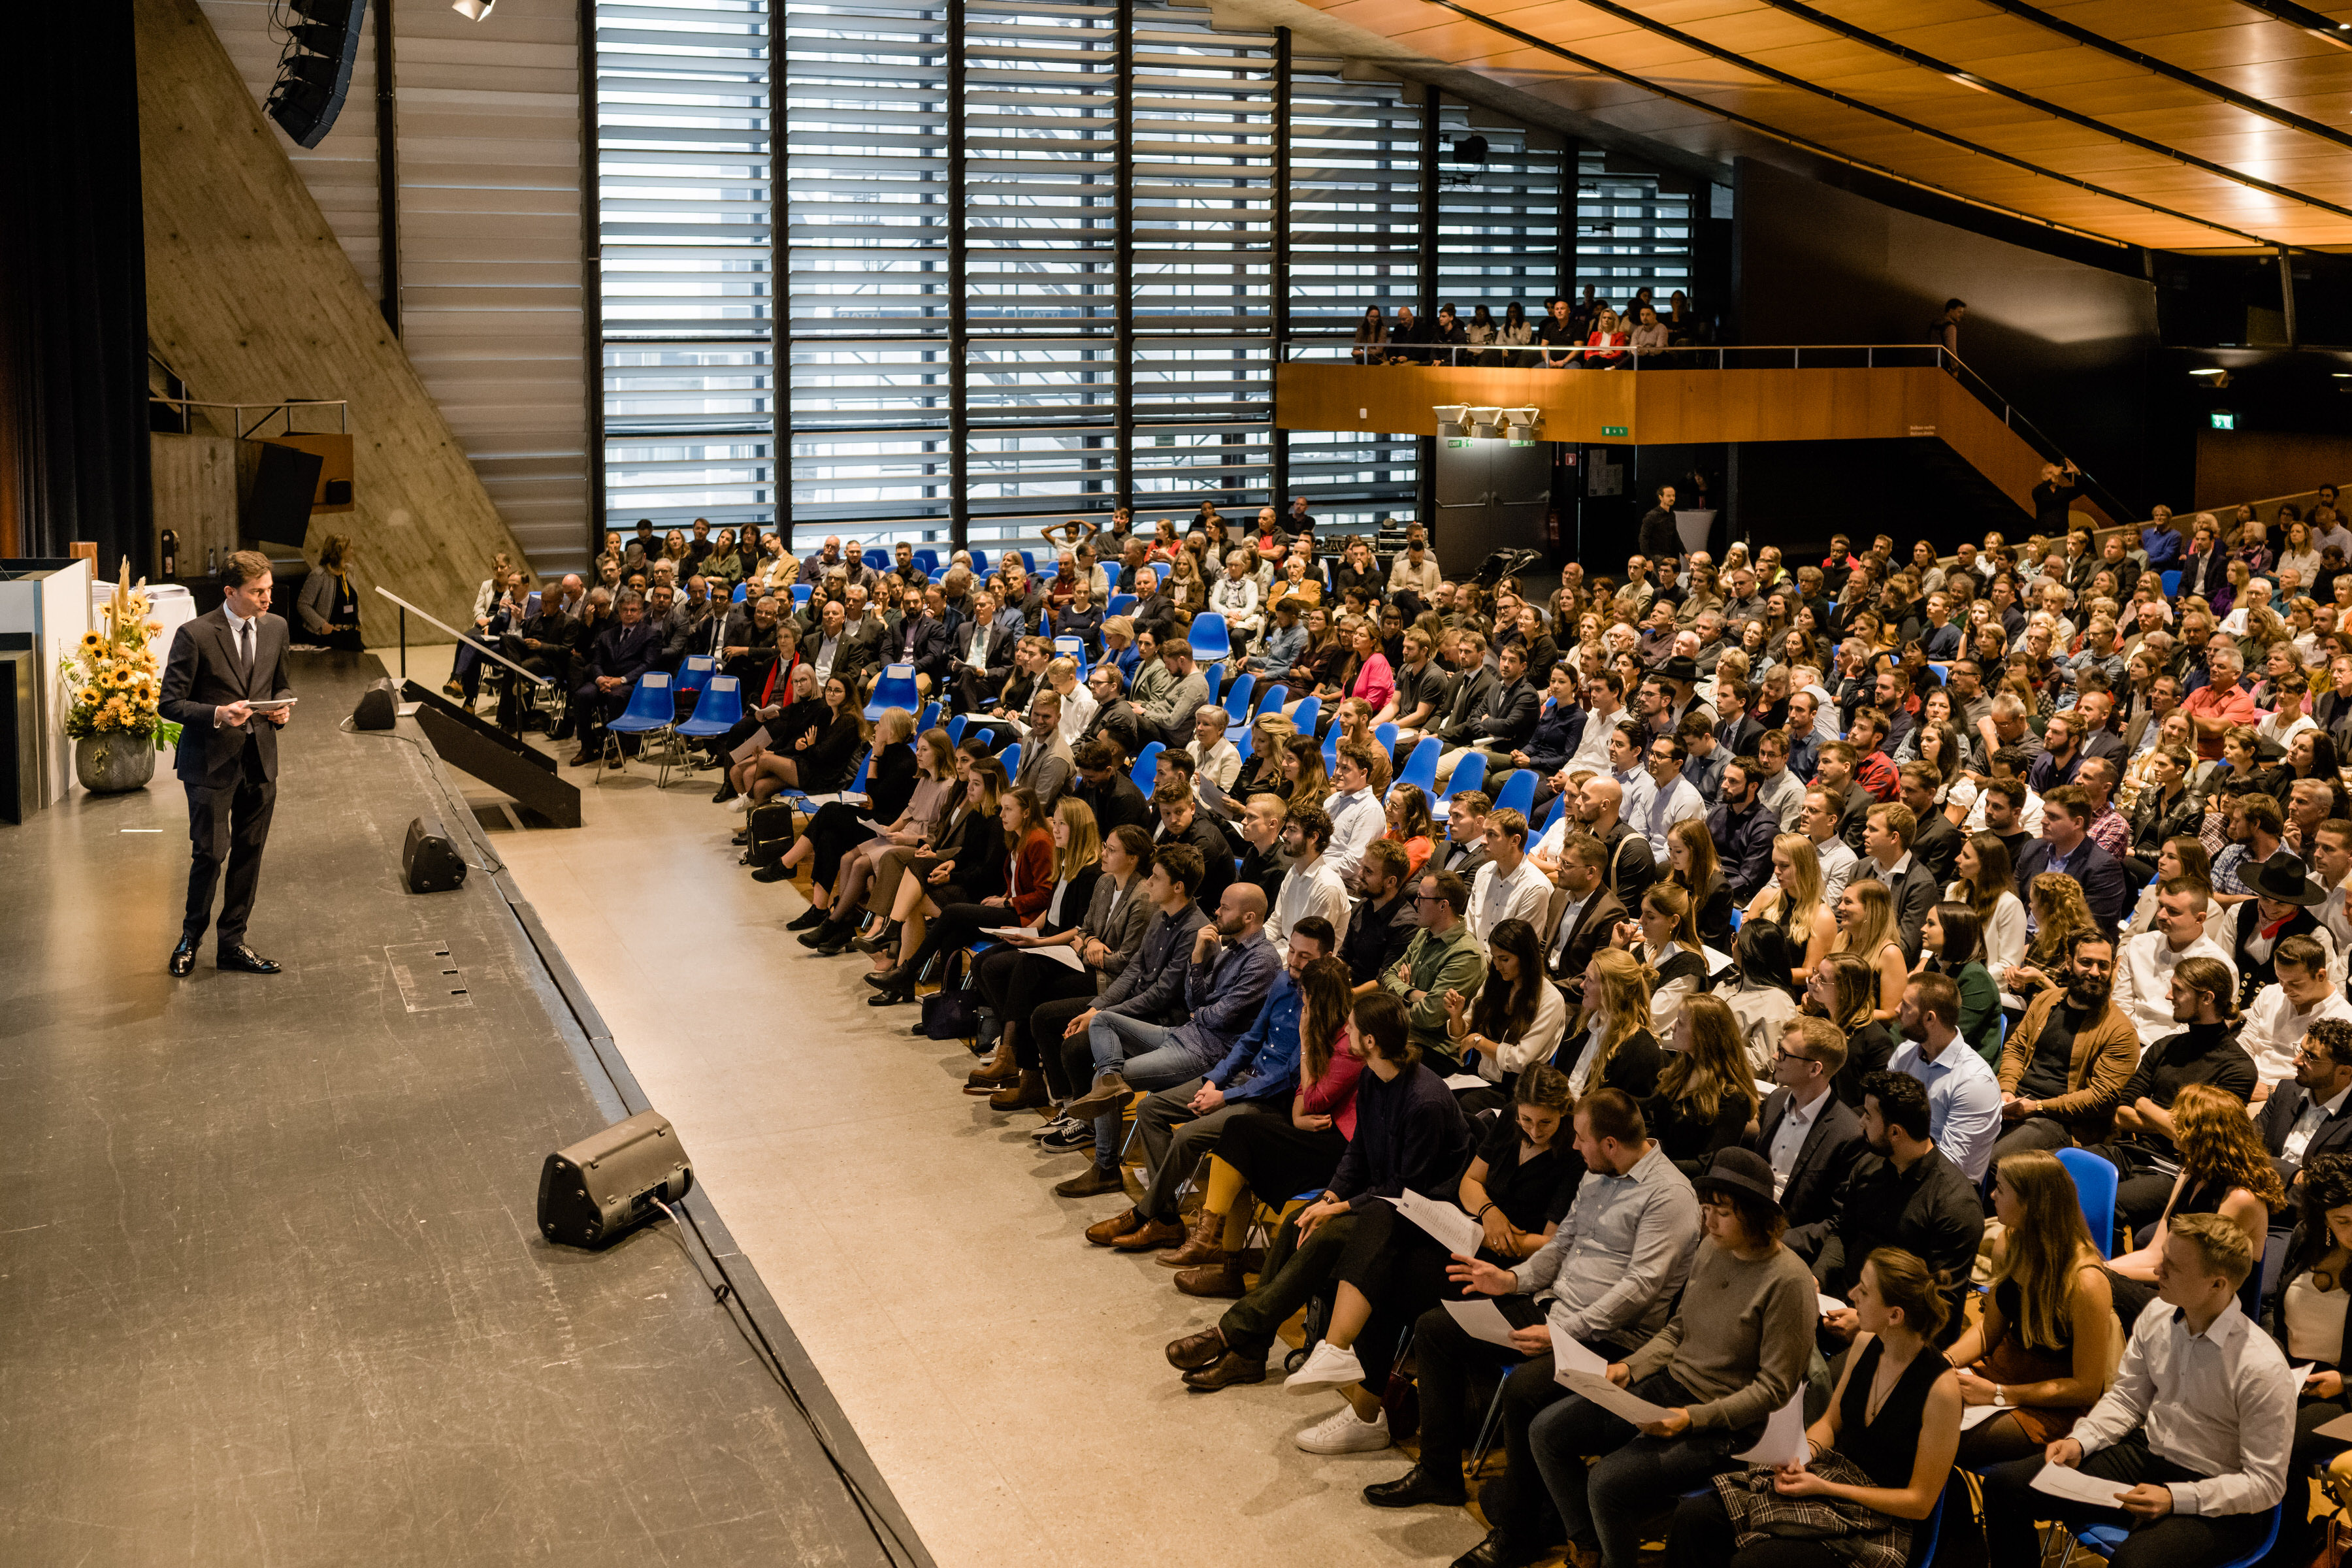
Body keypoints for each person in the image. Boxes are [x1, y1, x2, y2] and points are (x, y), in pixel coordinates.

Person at [1364, 1088, 1701, 1525]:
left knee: (1524, 1388)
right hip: (1553, 1308)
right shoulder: (1598, 1171)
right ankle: (1438, 1474)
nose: (1574, 1146)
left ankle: (1520, 1527)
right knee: (1436, 1328)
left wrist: (1565, 1333)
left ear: (1611, 1144)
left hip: (1609, 1339)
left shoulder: (1670, 1197)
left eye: (1581, 1138)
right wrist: (1511, 1280)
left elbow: (1641, 1288)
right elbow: (1561, 1246)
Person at [1522, 1147, 1817, 1568]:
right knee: (1547, 1432)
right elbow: (1678, 1330)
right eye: (1706, 1208)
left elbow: (1774, 1389)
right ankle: (1589, 1546)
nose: (1708, 1221)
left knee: (1606, 1483)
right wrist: (1630, 1366)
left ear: (1754, 1215)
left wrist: (1692, 1419)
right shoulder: (1713, 1247)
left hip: (1726, 1425)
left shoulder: (1789, 1281)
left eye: (1723, 1212)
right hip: (1671, 1387)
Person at [1162, 991, 1471, 1390]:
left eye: (1354, 1029)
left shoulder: (1424, 1101)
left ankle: (1231, 1334)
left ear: (1371, 1041)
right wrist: (1329, 1197)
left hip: (1423, 1217)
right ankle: (1249, 1355)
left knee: (1325, 1235)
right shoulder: (1373, 1077)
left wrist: (1340, 1207)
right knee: (1296, 1221)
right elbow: (1358, 1151)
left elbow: (1406, 1190)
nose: (1347, 1033)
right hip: (1383, 1201)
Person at [1281, 1064, 1582, 1456]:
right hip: (1475, 1235)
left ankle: (1364, 1411)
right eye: (1527, 1118)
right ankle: (1338, 1356)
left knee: (1385, 1277)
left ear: (1564, 1113)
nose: (1535, 1130)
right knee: (1382, 1214)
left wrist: (1507, 1237)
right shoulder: (1511, 1120)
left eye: (1546, 1123)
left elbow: (1553, 1244)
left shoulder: (1573, 1153)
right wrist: (1490, 1213)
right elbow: (1471, 1183)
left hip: (1508, 1268)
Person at [1978, 1211, 2295, 1568]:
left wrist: (2177, 1498)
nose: (2158, 1270)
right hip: (2147, 1457)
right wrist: (2081, 1441)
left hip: (2219, 1495)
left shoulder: (2261, 1366)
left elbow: (2264, 1484)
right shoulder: (2159, 1314)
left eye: (2173, 1266)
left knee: (2134, 1562)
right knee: (2007, 1487)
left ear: (2218, 1285)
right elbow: (2128, 1400)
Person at [1664, 1248, 1961, 1568]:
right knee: (1693, 1517)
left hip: (1882, 1520)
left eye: (1863, 1290)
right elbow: (1832, 1423)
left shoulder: (1942, 1391)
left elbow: (1919, 1504)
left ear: (1895, 1315)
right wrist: (1801, 1457)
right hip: (1833, 1481)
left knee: (1754, 1562)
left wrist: (1825, 1486)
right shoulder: (1864, 1344)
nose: (1852, 1295)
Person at [1083, 916, 1334, 1254]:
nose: (1293, 961)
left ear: (1327, 958)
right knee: (1149, 1108)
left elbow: (1289, 1077)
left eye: (1305, 956)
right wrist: (1215, 1079)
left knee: (1187, 1136)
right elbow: (1250, 1040)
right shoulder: (1282, 980)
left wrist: (1224, 1095)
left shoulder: (1328, 1004)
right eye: (1291, 951)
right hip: (1240, 1079)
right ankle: (1167, 1221)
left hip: (1273, 1101)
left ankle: (1144, 1213)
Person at [1057, 875, 1281, 1195]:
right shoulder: (1228, 949)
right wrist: (1196, 960)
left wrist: (1200, 1010)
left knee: (1102, 1082)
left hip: (1207, 1053)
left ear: (1249, 917)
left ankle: (1106, 1168)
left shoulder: (1263, 961)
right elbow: (1196, 1001)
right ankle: (1110, 1080)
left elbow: (1220, 1016)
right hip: (1185, 1033)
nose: (1216, 912)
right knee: (1104, 1020)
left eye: (1225, 908)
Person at [160, 550, 296, 977]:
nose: (266, 599)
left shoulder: (276, 628)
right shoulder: (195, 634)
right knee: (211, 853)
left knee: (249, 854)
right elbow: (170, 703)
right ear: (230, 592)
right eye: (257, 592)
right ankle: (190, 939)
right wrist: (217, 714)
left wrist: (282, 710)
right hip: (210, 765)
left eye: (269, 590)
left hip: (260, 761)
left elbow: (281, 683)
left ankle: (232, 943)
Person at [1946, 1150, 2117, 1465]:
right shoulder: (2008, 1243)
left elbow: (2086, 1388)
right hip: (2002, 1373)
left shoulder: (2086, 1282)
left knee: (1942, 1439)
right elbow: (1988, 1329)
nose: (1993, 1195)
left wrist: (1999, 1394)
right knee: (1911, 1406)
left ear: (2032, 1205)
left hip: (2052, 1403)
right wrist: (1947, 1360)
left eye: (2002, 1189)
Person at [2268, 1152, 2352, 1568]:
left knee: (2277, 1443)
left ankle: (2285, 1548)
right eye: (2344, 1222)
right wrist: (2271, 1360)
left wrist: (2345, 1382)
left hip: (2347, 1397)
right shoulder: (2305, 1237)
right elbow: (2274, 1307)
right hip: (2296, 1376)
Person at [1750, 1016, 1865, 1233]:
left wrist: (1777, 1244)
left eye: (1784, 1053)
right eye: (1778, 1048)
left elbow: (1837, 1222)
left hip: (1789, 1241)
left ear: (1814, 1070)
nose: (1775, 1057)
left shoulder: (1849, 1134)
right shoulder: (1775, 1100)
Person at [1889, 972, 2004, 1184]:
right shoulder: (1906, 1053)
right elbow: (1885, 1113)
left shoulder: (1975, 1083)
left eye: (1906, 1005)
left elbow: (1952, 1168)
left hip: (1942, 1192)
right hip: (1899, 1166)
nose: (1897, 1010)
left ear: (1930, 1018)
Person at [1445, 917, 1569, 1103]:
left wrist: (1479, 1042)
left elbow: (1521, 1060)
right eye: (1494, 957)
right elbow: (1463, 1035)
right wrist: (1456, 1016)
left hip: (1516, 1090)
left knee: (1460, 1105)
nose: (1496, 965)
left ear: (1526, 958)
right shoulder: (1496, 982)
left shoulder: (1550, 1000)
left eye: (1504, 959)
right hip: (1479, 1077)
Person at [1644, 995, 1761, 1171]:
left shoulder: (1733, 1097)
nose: (1672, 1027)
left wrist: (1647, 1166)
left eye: (1681, 1023)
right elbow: (1649, 1113)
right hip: (1658, 1172)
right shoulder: (1680, 1072)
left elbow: (1707, 1164)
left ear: (1705, 1034)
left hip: (1687, 1186)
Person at [295, 534, 363, 651]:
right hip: (329, 638)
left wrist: (359, 623)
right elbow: (303, 605)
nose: (353, 551)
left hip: (352, 636)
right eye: (350, 548)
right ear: (340, 551)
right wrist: (322, 625)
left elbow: (355, 601)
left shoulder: (349, 571)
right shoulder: (319, 575)